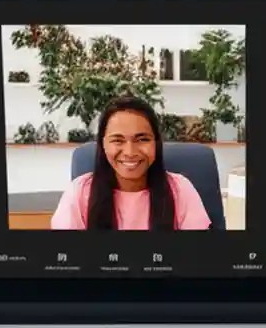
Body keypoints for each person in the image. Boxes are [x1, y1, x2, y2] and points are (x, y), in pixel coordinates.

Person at [51, 96, 211, 230]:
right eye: (117, 140)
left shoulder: (180, 190)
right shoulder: (79, 193)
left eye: (142, 139)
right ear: (103, 144)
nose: (130, 152)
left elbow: (196, 257)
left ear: (156, 143)